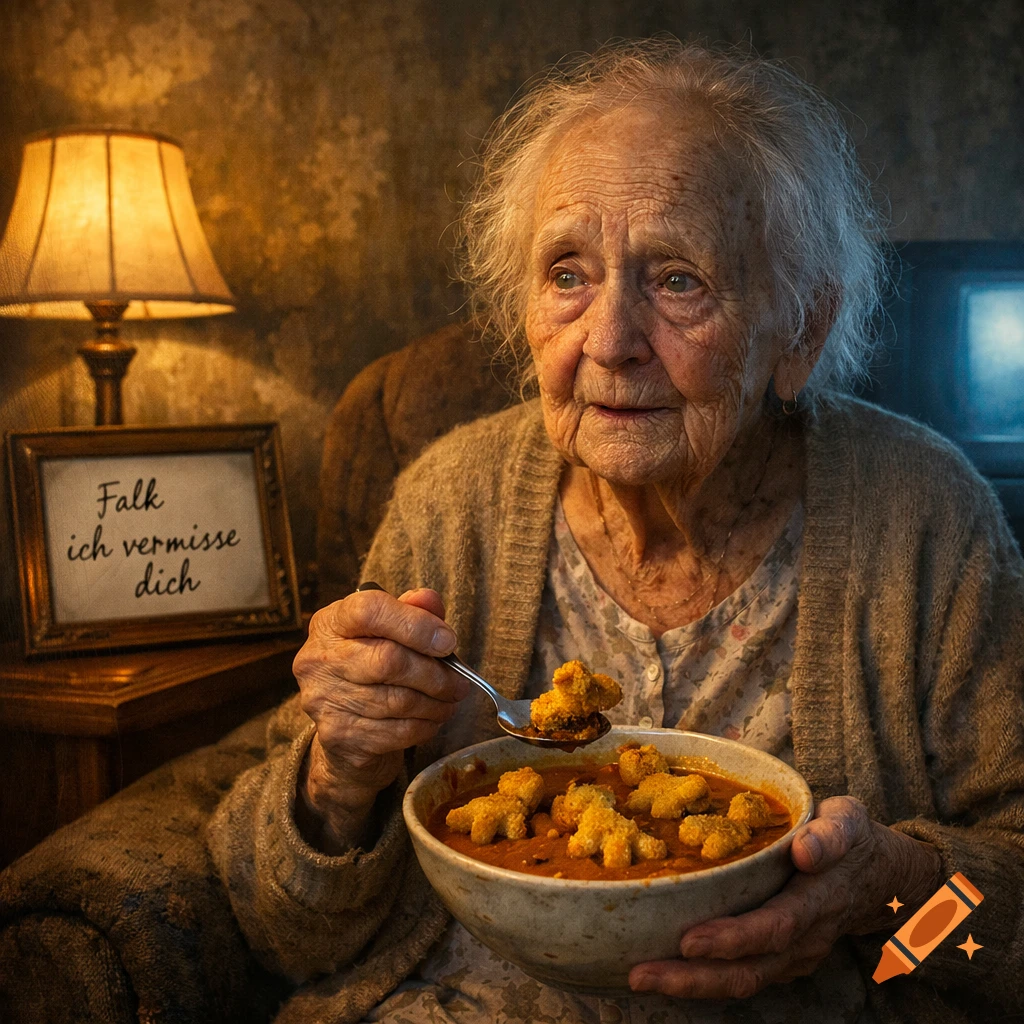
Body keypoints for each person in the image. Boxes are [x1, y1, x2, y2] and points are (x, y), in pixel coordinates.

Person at [206, 40, 1024, 1024]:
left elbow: (1000, 940)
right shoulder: (449, 501)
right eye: (568, 274)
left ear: (799, 329)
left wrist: (888, 896)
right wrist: (339, 774)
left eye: (677, 280)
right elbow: (283, 933)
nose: (608, 341)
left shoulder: (925, 518)